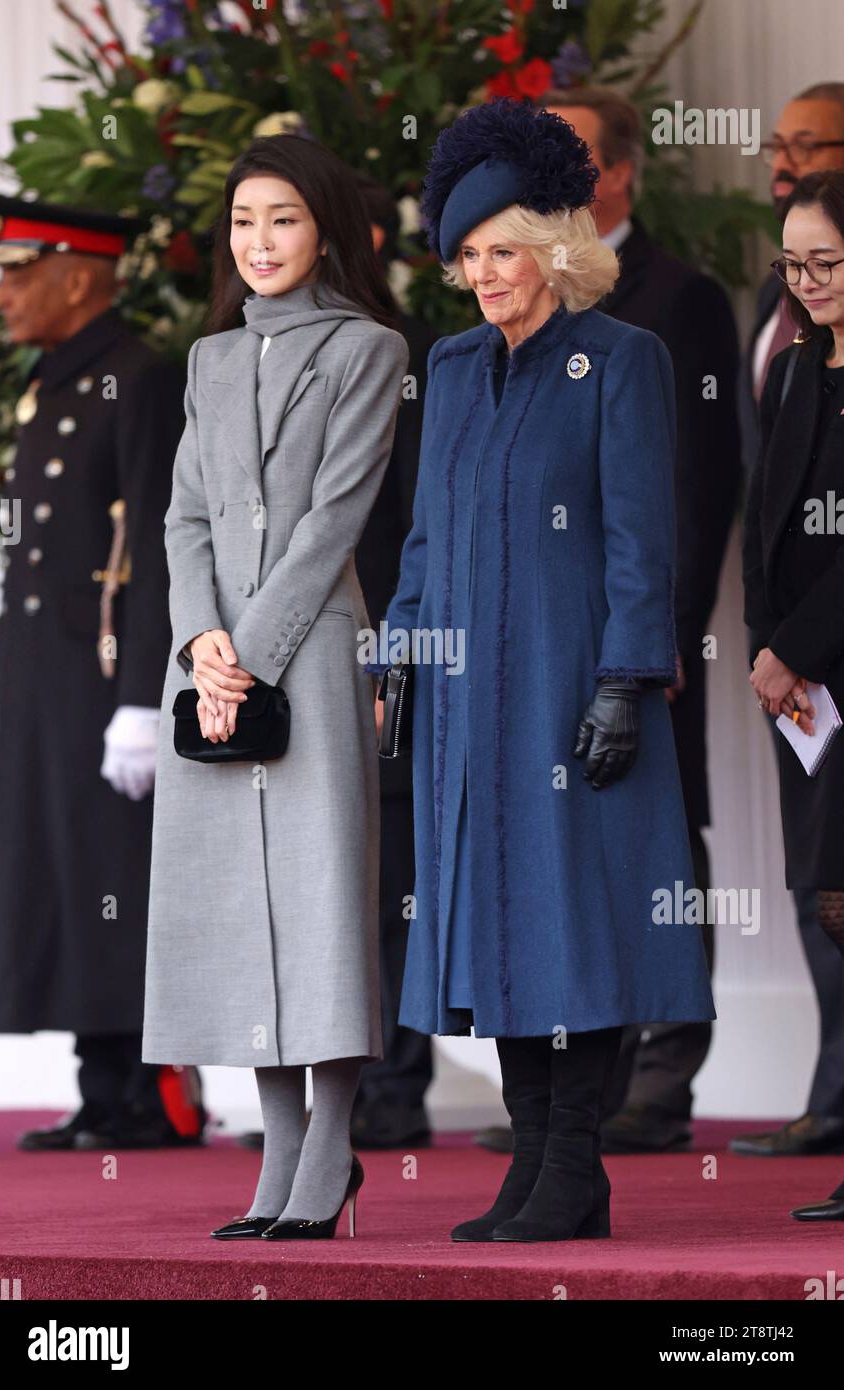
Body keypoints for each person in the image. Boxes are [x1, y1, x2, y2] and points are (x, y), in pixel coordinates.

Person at [368, 98, 715, 1243]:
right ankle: (534, 1160)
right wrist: (403, 654)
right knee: (497, 926)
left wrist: (625, 677)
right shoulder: (454, 368)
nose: (481, 276)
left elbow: (640, 540)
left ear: (555, 249)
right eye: (466, 256)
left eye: (500, 250)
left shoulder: (622, 360)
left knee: (575, 924)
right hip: (471, 705)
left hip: (569, 696)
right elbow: (423, 536)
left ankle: (573, 1163)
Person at [140, 134, 409, 1240]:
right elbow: (183, 520)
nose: (259, 241)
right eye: (243, 221)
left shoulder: (369, 350)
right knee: (236, 914)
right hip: (216, 669)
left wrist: (241, 659)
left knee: (318, 898)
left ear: (326, 229)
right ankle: (280, 1148)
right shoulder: (208, 362)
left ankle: (332, 1143)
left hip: (310, 656)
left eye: (282, 219)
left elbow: (330, 525)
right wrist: (199, 641)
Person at [531, 86, 740, 1155]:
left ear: (617, 173)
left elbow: (698, 490)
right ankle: (587, 1079)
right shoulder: (521, 291)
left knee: (659, 842)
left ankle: (664, 1072)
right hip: (545, 637)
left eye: (565, 156)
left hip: (641, 634)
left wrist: (660, 639)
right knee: (577, 841)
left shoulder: (682, 296)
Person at [0, 195, 204, 1151]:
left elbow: (157, 548)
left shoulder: (136, 377)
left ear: (79, 276)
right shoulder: (54, 380)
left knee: (116, 873)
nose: (1, 296)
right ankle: (100, 1087)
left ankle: (153, 1094)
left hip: (106, 673)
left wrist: (141, 700)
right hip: (45, 673)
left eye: (17, 274)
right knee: (60, 872)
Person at [733, 83, 844, 1160]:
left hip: (822, 667)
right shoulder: (794, 373)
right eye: (790, 266)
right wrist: (767, 651)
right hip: (802, 691)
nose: (802, 285)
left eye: (822, 264)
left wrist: (791, 649)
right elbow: (765, 527)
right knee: (823, 900)